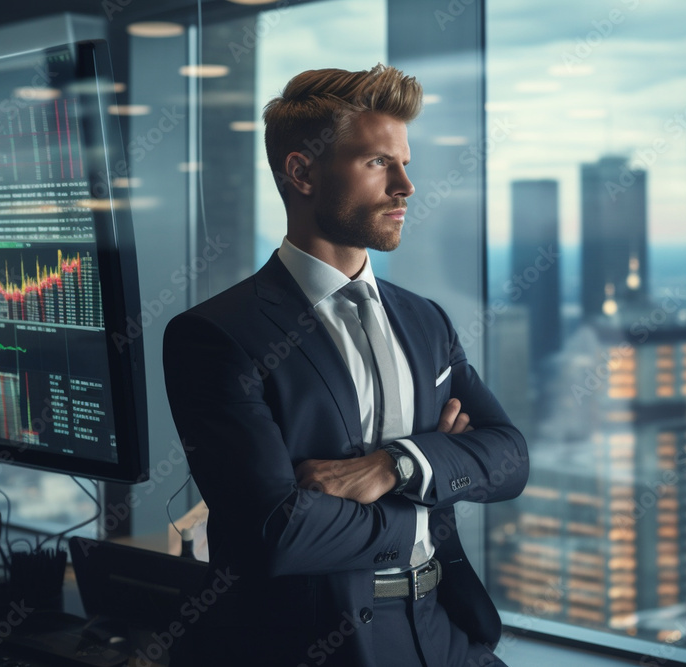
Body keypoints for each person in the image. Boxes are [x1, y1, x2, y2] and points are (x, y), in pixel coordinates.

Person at [162, 64, 528, 667]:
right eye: (379, 163)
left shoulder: (425, 321)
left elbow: (510, 457)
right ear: (302, 172)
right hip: (317, 646)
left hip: (446, 632)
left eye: (404, 163)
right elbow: (275, 534)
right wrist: (435, 473)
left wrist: (394, 466)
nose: (406, 185)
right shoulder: (216, 336)